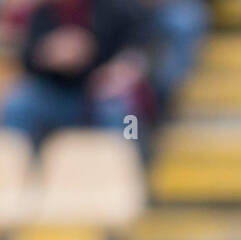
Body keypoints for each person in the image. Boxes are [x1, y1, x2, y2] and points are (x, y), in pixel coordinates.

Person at [1, 0, 153, 148]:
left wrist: (115, 68)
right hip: (55, 90)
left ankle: (126, 162)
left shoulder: (115, 8)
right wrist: (47, 54)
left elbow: (139, 47)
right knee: (18, 104)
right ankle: (17, 168)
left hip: (100, 91)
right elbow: (28, 59)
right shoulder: (43, 12)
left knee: (122, 113)